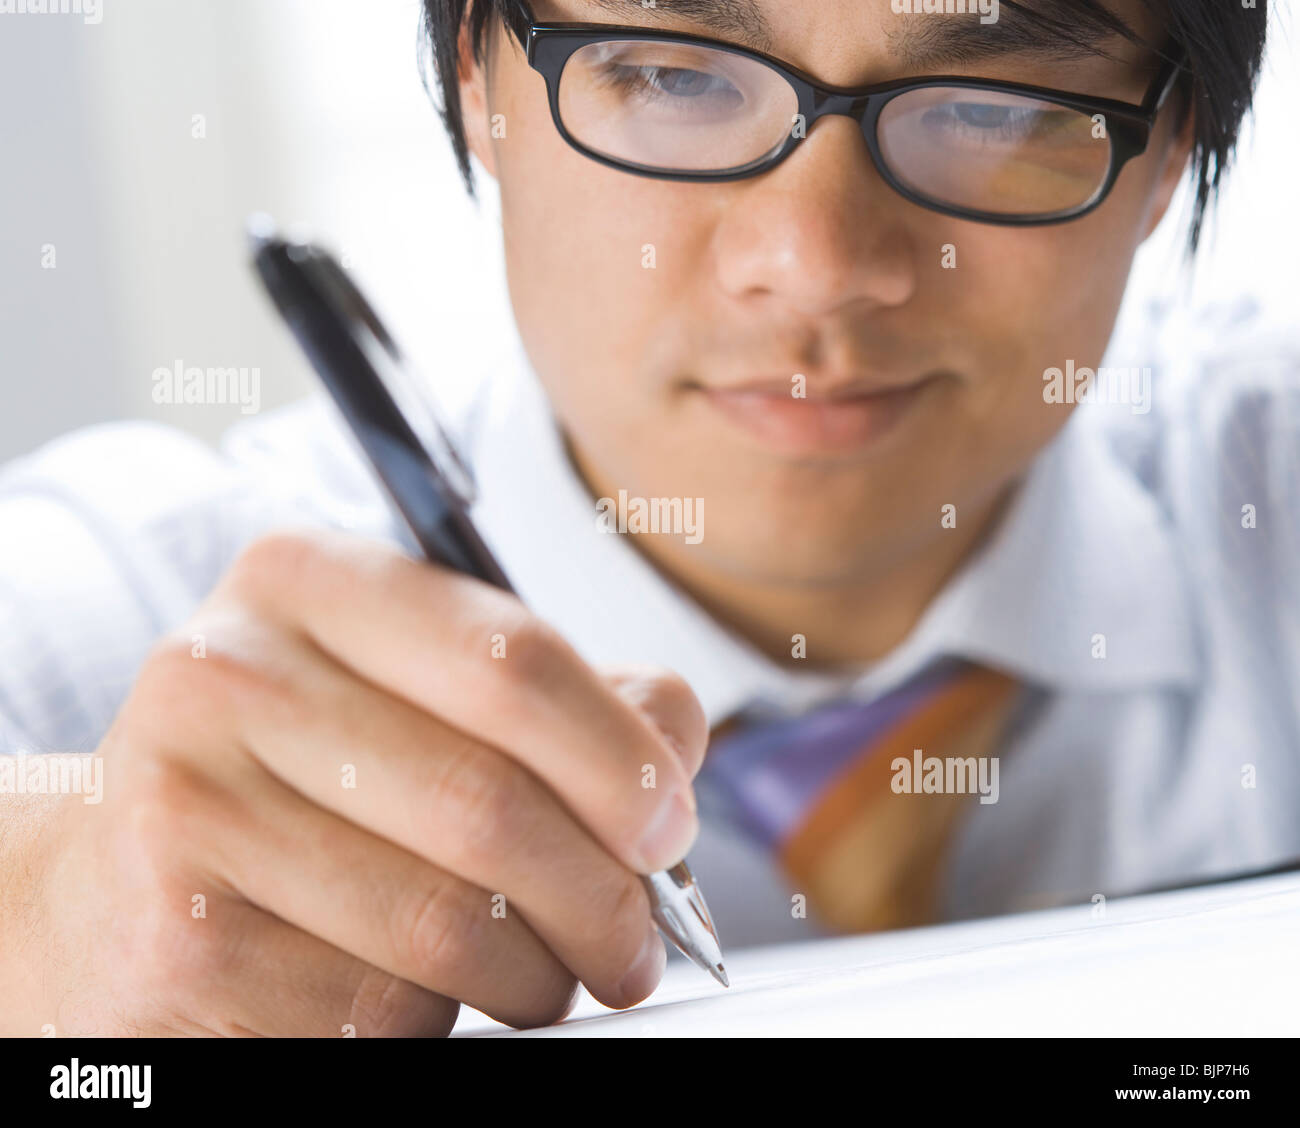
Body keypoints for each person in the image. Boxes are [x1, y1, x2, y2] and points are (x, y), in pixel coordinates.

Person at [0, 0, 1289, 1036]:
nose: (815, 265)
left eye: (993, 106)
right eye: (674, 76)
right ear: (478, 79)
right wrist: (55, 936)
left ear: (1172, 149)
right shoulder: (107, 631)